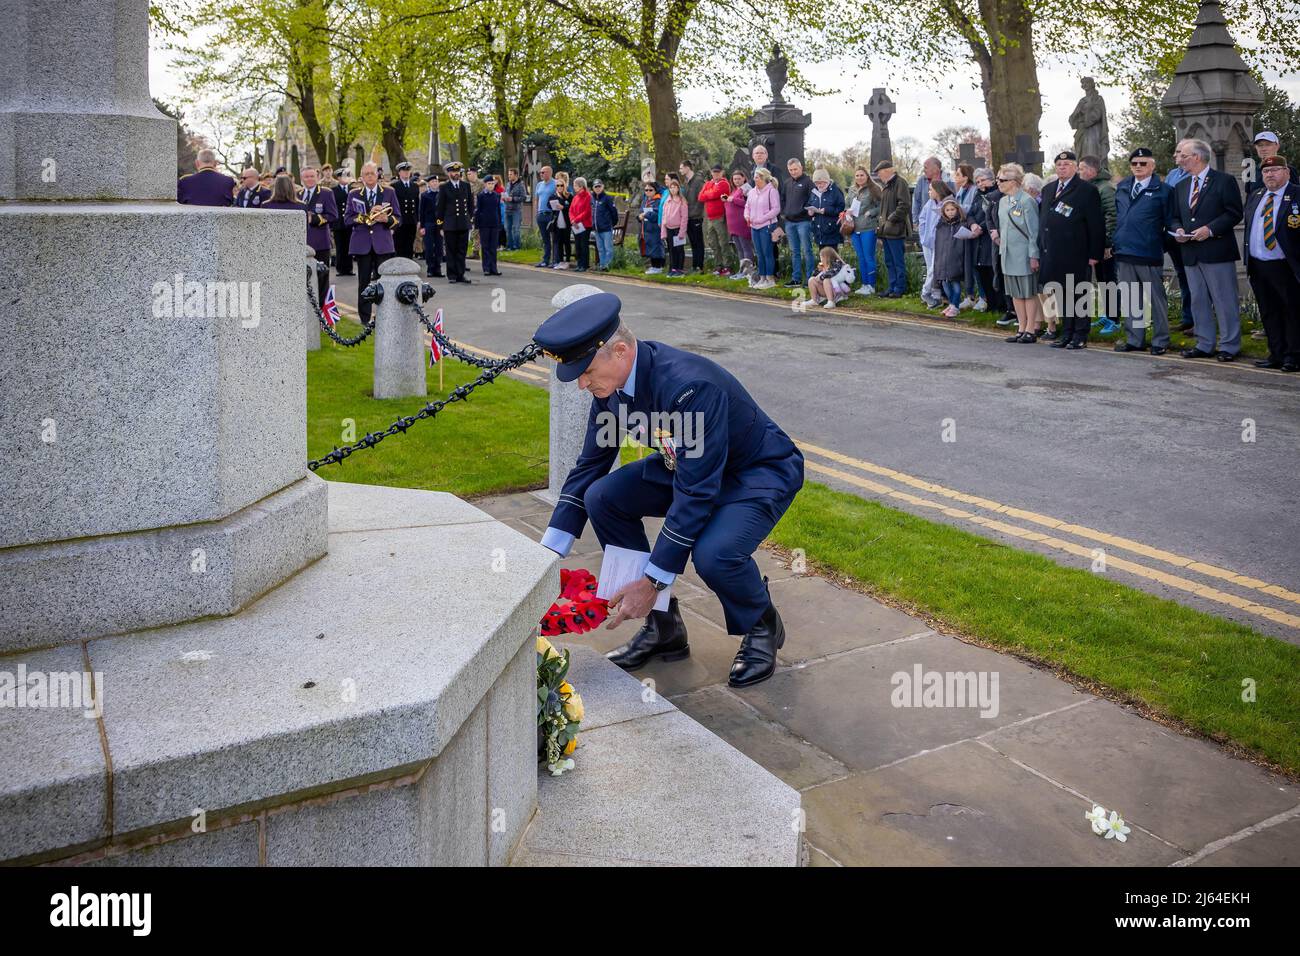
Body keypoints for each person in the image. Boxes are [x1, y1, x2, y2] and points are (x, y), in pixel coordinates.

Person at [532, 292, 805, 688]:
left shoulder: (687, 387)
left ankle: (762, 624)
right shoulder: (612, 390)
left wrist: (653, 580)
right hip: (693, 467)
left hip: (755, 471)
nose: (581, 384)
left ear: (620, 351)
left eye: (586, 371)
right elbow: (590, 466)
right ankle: (664, 627)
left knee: (714, 554)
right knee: (602, 497)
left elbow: (696, 494)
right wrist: (546, 556)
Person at [1170, 138, 1243, 361]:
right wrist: (1178, 229)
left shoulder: (1224, 181)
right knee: (1198, 300)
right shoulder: (1181, 186)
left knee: (1224, 300)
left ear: (1197, 157)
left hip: (1217, 251)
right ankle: (1204, 343)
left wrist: (1210, 229)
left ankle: (1230, 346)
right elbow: (1174, 216)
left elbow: (1234, 212)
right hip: (1191, 253)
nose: (1180, 160)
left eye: (1184, 156)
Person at [1039, 151, 1104, 350]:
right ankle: (1066, 333)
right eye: (1059, 164)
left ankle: (1080, 334)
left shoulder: (1086, 190)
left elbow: (1096, 224)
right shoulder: (1049, 188)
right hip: (1054, 251)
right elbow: (1045, 220)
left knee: (1079, 293)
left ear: (1075, 167)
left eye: (1067, 164)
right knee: (1062, 294)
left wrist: (1095, 254)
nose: (1062, 167)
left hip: (1078, 251)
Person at [1112, 148, 1174, 355]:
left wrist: (1158, 244)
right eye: (1134, 163)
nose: (1138, 166)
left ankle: (1161, 340)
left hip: (1148, 252)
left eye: (1143, 163)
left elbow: (1171, 222)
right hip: (1124, 251)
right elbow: (1117, 217)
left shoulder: (1164, 190)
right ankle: (1135, 339)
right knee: (1130, 299)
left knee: (1156, 299)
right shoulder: (1122, 187)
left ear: (1152, 166)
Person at [1243, 155, 1300, 371]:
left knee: (1292, 311)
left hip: (1286, 265)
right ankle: (1276, 353)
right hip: (1259, 265)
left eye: (1275, 170)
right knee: (1269, 311)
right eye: (1266, 171)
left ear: (1286, 172)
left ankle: (1293, 356)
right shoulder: (1257, 195)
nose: (1270, 174)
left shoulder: (1296, 194)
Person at [344, 161, 400, 324]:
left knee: (385, 282)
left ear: (377, 175)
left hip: (383, 244)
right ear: (361, 177)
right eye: (366, 174)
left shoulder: (389, 192)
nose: (369, 176)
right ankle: (364, 318)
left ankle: (386, 315)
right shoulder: (353, 194)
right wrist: (368, 216)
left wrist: (386, 219)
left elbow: (398, 219)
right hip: (362, 244)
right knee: (364, 282)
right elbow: (347, 219)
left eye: (372, 173)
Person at [994, 163, 1043, 343]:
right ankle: (1021, 327)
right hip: (1008, 253)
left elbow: (1033, 231)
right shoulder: (1002, 201)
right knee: (1015, 292)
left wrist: (1034, 255)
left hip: (1023, 254)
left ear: (1014, 182)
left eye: (1002, 180)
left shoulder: (1026, 201)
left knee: (1028, 292)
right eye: (998, 179)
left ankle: (1031, 329)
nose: (998, 182)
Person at [1079, 155, 1118, 333]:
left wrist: (1107, 243)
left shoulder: (1106, 188)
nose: (1080, 172)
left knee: (1110, 281)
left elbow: (1111, 215)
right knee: (1102, 281)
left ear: (1091, 170)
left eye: (1081, 169)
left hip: (1106, 245)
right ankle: (1106, 315)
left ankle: (1115, 319)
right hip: (1096, 243)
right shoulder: (1092, 187)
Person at [969, 168, 1007, 322]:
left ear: (992, 180)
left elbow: (992, 216)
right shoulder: (978, 195)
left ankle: (1001, 305)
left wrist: (980, 227)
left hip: (989, 237)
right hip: (977, 238)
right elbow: (970, 213)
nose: (980, 184)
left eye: (983, 180)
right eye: (977, 182)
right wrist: (972, 225)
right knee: (982, 272)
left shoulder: (998, 194)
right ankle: (990, 304)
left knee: (993, 272)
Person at [298, 166, 338, 306]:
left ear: (317, 177)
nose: (309, 179)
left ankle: (322, 309)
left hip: (320, 242)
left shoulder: (326, 193)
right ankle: (306, 306)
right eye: (306, 177)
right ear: (302, 178)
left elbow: (333, 215)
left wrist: (315, 219)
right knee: (302, 277)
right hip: (301, 243)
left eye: (312, 176)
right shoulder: (297, 194)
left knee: (322, 277)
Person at [843, 166, 882, 295]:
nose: (859, 178)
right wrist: (847, 210)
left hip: (868, 228)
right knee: (861, 258)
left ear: (867, 176)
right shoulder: (852, 190)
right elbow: (847, 204)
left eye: (862, 175)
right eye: (857, 175)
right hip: (854, 228)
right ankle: (864, 285)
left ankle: (871, 285)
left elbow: (881, 206)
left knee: (868, 257)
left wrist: (871, 212)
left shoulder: (874, 189)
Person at [875, 160, 911, 297]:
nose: (879, 176)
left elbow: (904, 205)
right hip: (886, 230)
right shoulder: (886, 186)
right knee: (889, 261)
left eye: (880, 173)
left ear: (887, 171)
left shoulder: (900, 182)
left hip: (896, 230)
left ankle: (899, 288)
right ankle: (892, 287)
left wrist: (891, 219)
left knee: (898, 261)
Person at [778, 157, 815, 287]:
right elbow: (782, 199)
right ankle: (796, 279)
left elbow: (813, 198)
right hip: (789, 222)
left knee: (807, 250)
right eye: (791, 170)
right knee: (795, 251)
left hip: (804, 222)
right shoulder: (787, 183)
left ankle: (810, 279)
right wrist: (784, 212)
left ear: (801, 168)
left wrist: (804, 210)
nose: (793, 172)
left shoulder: (808, 182)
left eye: (795, 169)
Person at [436, 161, 475, 284]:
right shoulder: (444, 187)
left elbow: (470, 205)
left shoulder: (465, 186)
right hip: (450, 224)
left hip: (463, 223)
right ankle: (452, 275)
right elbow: (440, 207)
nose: (456, 174)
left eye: (457, 172)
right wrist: (440, 225)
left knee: (462, 250)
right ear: (449, 173)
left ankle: (461, 274)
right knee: (451, 250)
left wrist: (470, 219)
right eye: (453, 172)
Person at [932, 196, 968, 317]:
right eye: (947, 210)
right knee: (945, 284)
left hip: (956, 259)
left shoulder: (961, 223)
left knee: (956, 285)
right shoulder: (941, 226)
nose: (950, 212)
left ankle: (955, 306)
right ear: (943, 212)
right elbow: (938, 243)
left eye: (953, 209)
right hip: (942, 260)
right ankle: (952, 304)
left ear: (957, 209)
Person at [917, 180, 951, 308]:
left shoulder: (947, 202)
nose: (929, 192)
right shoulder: (930, 203)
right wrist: (923, 235)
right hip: (927, 241)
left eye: (931, 189)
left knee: (934, 269)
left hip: (940, 242)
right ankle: (935, 297)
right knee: (931, 268)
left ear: (938, 190)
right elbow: (922, 219)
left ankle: (925, 292)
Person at [952, 163, 983, 309]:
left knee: (976, 265)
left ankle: (983, 297)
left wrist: (957, 209)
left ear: (965, 177)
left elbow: (972, 209)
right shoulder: (960, 191)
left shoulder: (974, 190)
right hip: (963, 229)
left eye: (958, 174)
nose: (955, 177)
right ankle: (969, 296)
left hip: (974, 230)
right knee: (967, 265)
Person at [745, 167, 781, 289]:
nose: (754, 179)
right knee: (759, 253)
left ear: (763, 178)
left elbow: (776, 209)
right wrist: (747, 215)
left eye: (757, 177)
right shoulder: (752, 192)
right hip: (754, 226)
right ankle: (762, 278)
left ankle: (770, 279)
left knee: (767, 253)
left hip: (767, 225)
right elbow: (747, 206)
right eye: (754, 177)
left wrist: (762, 218)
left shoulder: (772, 191)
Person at [698, 165, 732, 275]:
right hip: (709, 217)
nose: (716, 174)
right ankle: (718, 266)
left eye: (718, 172)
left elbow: (714, 194)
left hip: (719, 217)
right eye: (714, 172)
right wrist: (710, 193)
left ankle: (728, 266)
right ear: (711, 172)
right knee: (713, 243)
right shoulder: (708, 183)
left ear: (722, 172)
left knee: (723, 242)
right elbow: (700, 197)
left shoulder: (724, 183)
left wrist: (709, 193)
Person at [1246, 132, 1299, 197]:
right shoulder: (1251, 172)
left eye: (1268, 145)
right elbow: (1249, 197)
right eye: (1260, 145)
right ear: (1255, 147)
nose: (1263, 149)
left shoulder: (1289, 170)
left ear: (1277, 146)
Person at [801, 246, 854, 311]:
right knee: (811, 280)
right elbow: (815, 276)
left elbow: (830, 274)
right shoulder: (823, 265)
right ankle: (814, 300)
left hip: (838, 291)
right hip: (828, 290)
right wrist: (818, 270)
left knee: (826, 280)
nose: (821, 259)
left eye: (821, 257)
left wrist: (821, 276)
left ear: (827, 257)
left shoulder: (837, 264)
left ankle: (831, 301)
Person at [725, 170, 755, 279]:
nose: (737, 181)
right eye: (735, 179)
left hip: (742, 224)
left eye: (739, 178)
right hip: (734, 226)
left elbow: (749, 203)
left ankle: (748, 272)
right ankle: (741, 270)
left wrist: (734, 200)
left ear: (744, 178)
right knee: (739, 249)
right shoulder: (735, 190)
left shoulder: (747, 189)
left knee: (746, 248)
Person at [808, 168, 845, 250]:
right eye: (816, 183)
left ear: (827, 181)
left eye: (821, 183)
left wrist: (826, 210)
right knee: (823, 258)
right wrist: (811, 212)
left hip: (831, 231)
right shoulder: (814, 192)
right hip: (819, 231)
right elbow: (810, 204)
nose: (819, 185)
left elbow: (841, 208)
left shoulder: (835, 191)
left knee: (832, 258)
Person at [679, 160, 706, 272]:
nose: (680, 170)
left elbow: (702, 198)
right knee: (693, 243)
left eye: (681, 168)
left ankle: (699, 266)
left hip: (696, 216)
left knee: (698, 242)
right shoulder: (686, 182)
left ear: (687, 168)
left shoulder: (698, 181)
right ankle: (694, 266)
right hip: (687, 217)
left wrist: (696, 212)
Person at [390, 162, 420, 259]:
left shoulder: (414, 186)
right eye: (404, 171)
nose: (406, 173)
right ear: (399, 173)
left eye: (408, 171)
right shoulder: (394, 186)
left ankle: (409, 266)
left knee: (409, 244)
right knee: (399, 244)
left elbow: (416, 204)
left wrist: (418, 220)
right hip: (400, 220)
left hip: (411, 220)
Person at [327, 167, 354, 276]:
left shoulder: (353, 190)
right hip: (339, 222)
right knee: (340, 246)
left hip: (349, 222)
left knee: (349, 246)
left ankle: (349, 268)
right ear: (338, 178)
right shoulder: (333, 191)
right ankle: (340, 268)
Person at [474, 173, 503, 276]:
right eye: (489, 183)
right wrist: (477, 224)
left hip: (494, 223)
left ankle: (493, 268)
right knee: (485, 246)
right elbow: (478, 210)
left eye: (492, 183)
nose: (491, 185)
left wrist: (499, 222)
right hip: (484, 224)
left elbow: (498, 210)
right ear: (485, 184)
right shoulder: (481, 196)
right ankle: (486, 268)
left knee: (493, 247)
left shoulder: (496, 195)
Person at [660, 178, 689, 278]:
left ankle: (679, 269)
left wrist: (682, 232)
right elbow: (664, 217)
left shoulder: (682, 201)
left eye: (674, 187)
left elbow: (684, 218)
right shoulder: (667, 201)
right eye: (671, 187)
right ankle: (672, 268)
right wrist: (663, 232)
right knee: (671, 249)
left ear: (678, 188)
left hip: (678, 229)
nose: (672, 189)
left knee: (679, 249)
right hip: (669, 228)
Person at [418, 173, 444, 278]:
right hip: (429, 223)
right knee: (429, 248)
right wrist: (422, 226)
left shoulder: (441, 194)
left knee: (439, 247)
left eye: (436, 181)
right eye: (433, 181)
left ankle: (437, 268)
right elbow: (422, 211)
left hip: (439, 224)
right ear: (429, 183)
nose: (435, 183)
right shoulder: (425, 195)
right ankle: (430, 268)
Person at [638, 181, 665, 274]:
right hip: (646, 228)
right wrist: (639, 217)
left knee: (656, 247)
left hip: (655, 228)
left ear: (655, 190)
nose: (648, 192)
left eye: (650, 190)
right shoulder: (645, 200)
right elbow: (640, 212)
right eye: (646, 190)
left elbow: (658, 214)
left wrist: (646, 214)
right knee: (649, 247)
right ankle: (654, 266)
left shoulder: (658, 200)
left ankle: (658, 267)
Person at [591, 179, 619, 271]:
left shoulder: (607, 198)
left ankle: (608, 265)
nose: (598, 188)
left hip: (606, 228)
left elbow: (614, 212)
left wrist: (611, 224)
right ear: (593, 188)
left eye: (599, 186)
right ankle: (602, 265)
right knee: (600, 248)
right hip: (597, 228)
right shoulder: (593, 198)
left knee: (608, 248)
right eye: (596, 187)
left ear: (603, 187)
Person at [569, 177, 594, 273]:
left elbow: (587, 211)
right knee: (578, 245)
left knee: (584, 244)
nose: (574, 187)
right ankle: (579, 264)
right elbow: (571, 210)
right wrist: (572, 220)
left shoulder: (588, 196)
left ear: (581, 186)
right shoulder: (575, 197)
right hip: (575, 225)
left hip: (585, 225)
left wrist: (576, 220)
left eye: (575, 185)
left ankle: (584, 264)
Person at [534, 165, 557, 268]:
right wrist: (536, 212)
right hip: (541, 214)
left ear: (550, 173)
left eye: (543, 172)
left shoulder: (555, 184)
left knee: (555, 239)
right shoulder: (539, 185)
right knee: (545, 239)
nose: (541, 174)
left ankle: (555, 260)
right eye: (541, 173)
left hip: (551, 214)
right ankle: (545, 260)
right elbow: (536, 199)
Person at [503, 168, 527, 250]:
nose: (509, 176)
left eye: (511, 174)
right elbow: (506, 194)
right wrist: (504, 198)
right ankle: (509, 246)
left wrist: (512, 199)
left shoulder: (521, 184)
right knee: (507, 229)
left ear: (516, 175)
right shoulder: (508, 184)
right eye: (508, 174)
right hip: (507, 209)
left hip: (516, 210)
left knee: (516, 229)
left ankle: (517, 247)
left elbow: (524, 197)